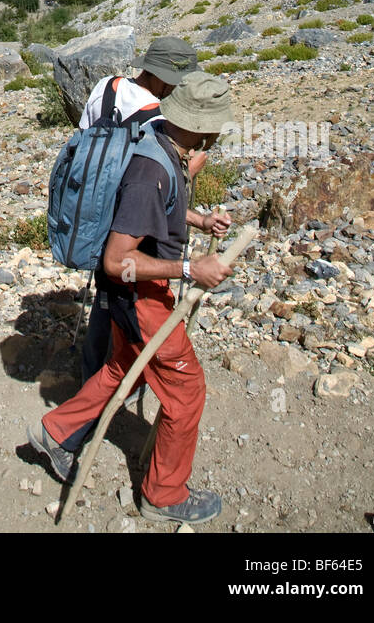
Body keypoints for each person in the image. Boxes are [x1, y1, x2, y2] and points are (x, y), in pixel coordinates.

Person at [28, 72, 235, 526]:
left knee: (123, 368)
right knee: (186, 390)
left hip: (130, 296)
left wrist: (199, 222)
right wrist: (189, 268)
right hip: (141, 298)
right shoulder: (153, 169)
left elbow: (151, 208)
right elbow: (116, 260)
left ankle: (56, 432)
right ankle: (164, 494)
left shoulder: (159, 143)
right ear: (202, 127)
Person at [80, 37, 198, 382]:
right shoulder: (157, 116)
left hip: (94, 208)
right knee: (124, 293)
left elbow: (84, 139)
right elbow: (158, 182)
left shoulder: (106, 87)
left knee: (104, 290)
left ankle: (92, 373)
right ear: (162, 77)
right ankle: (111, 380)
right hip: (130, 217)